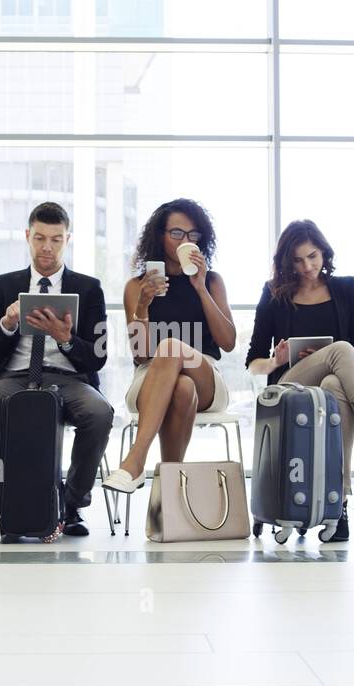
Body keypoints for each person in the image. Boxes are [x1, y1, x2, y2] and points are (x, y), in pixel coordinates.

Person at [246, 219, 354, 542]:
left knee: (334, 384)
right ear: (287, 262)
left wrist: (348, 361)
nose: (307, 266)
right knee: (341, 350)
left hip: (331, 386)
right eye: (298, 260)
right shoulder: (273, 293)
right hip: (289, 388)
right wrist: (277, 360)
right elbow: (254, 364)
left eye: (312, 256)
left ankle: (337, 504)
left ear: (324, 253)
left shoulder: (345, 288)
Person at [0, 202, 113, 539]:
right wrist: (7, 323)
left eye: (56, 240)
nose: (47, 247)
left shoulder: (89, 288)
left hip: (68, 378)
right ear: (27, 236)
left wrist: (65, 338)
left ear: (67, 240)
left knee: (99, 413)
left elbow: (98, 358)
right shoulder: (5, 285)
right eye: (40, 238)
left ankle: (70, 505)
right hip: (15, 378)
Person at [103, 198, 238, 494]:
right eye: (177, 233)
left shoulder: (212, 282)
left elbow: (228, 342)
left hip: (205, 375)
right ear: (160, 236)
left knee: (172, 348)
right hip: (151, 377)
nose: (185, 241)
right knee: (182, 387)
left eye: (192, 235)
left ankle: (134, 461)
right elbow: (141, 354)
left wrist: (200, 288)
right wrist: (143, 305)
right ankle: (171, 489)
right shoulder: (137, 286)